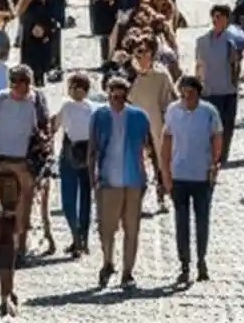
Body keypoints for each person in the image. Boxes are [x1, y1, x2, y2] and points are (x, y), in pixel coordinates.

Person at [90, 77, 159, 289]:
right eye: (113, 96)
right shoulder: (99, 116)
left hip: (133, 179)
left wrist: (158, 175)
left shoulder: (139, 117)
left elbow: (150, 147)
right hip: (108, 180)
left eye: (121, 97)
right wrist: (91, 176)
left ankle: (128, 271)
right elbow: (92, 148)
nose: (117, 101)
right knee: (106, 228)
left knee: (132, 229)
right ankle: (108, 261)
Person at [160, 75, 222, 286]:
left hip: (201, 175)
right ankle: (184, 264)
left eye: (191, 93)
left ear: (198, 92)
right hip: (179, 174)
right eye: (183, 93)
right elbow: (166, 140)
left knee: (202, 220)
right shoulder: (173, 111)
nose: (187, 97)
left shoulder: (209, 112)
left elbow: (216, 138)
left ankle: (201, 260)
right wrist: (165, 173)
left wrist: (214, 164)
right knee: (181, 222)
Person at [0, 64, 44, 258]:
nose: (21, 86)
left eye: (25, 82)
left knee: (24, 202)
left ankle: (21, 245)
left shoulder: (33, 102)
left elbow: (35, 130)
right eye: (17, 82)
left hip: (22, 159)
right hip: (1, 157)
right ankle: (1, 242)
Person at [127, 39, 178, 213]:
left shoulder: (161, 76)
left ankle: (162, 196)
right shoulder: (128, 75)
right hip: (134, 126)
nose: (141, 56)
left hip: (156, 125)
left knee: (160, 162)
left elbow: (169, 101)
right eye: (137, 52)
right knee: (136, 164)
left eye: (144, 52)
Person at [54, 73, 98, 257]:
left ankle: (79, 237)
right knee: (81, 200)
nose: (73, 91)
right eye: (71, 87)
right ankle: (79, 238)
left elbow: (54, 126)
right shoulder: (91, 109)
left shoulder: (73, 107)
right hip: (82, 155)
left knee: (74, 199)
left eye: (76, 87)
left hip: (75, 154)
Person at [195, 4, 243, 164]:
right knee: (210, 127)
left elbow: (236, 64)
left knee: (227, 126)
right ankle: (211, 154)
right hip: (209, 90)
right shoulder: (202, 42)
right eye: (215, 17)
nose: (217, 20)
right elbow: (199, 64)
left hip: (228, 90)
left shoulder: (233, 41)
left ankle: (222, 155)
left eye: (221, 17)